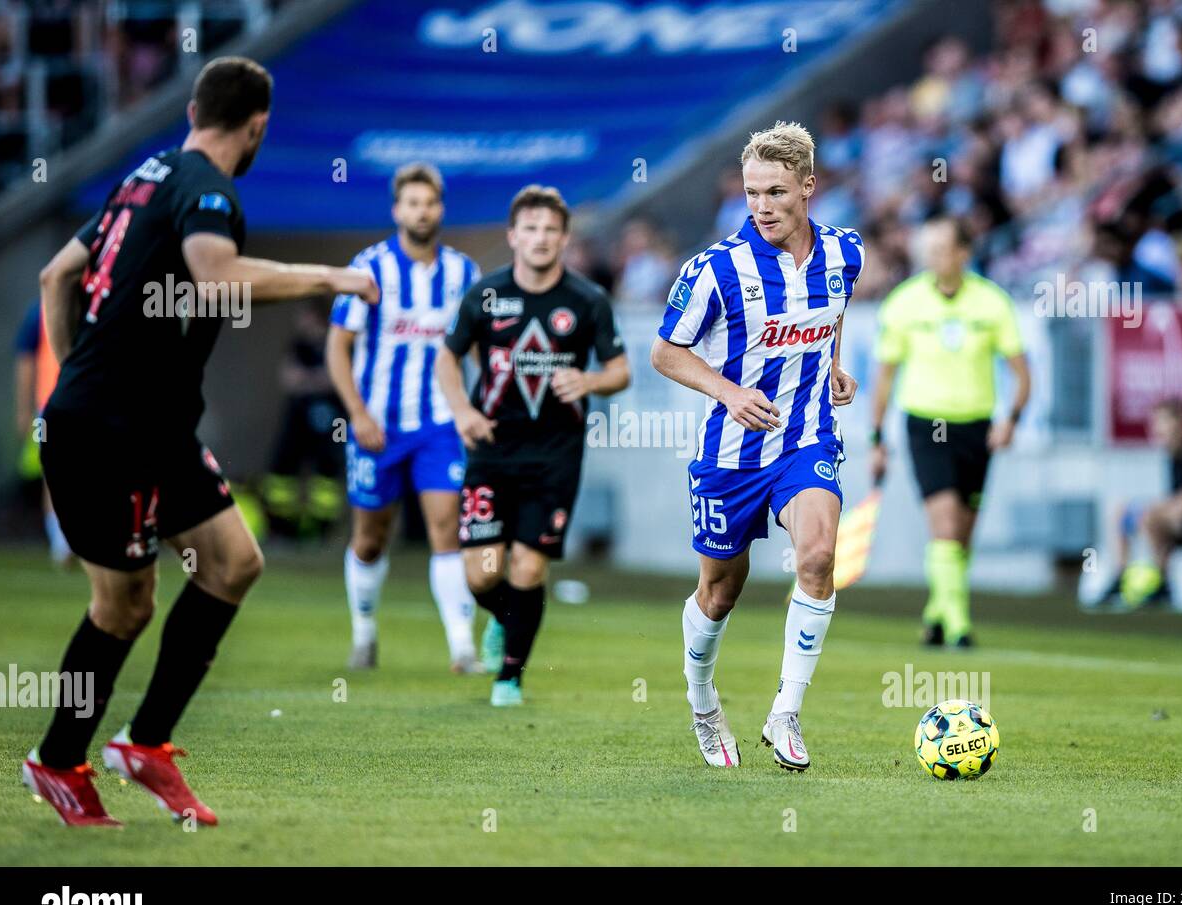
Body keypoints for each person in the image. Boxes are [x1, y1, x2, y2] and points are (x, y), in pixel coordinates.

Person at [23, 56, 378, 827]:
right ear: (257, 128)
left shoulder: (142, 178)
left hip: (145, 426)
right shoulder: (208, 189)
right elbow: (215, 276)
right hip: (112, 431)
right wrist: (329, 276)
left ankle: (145, 745)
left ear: (192, 109)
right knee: (123, 608)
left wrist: (73, 374)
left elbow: (56, 275)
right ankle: (57, 761)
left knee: (233, 562)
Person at [651, 122, 862, 772]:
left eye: (775, 191)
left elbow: (832, 312)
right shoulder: (714, 268)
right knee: (719, 592)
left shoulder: (846, 253)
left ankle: (786, 711)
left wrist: (831, 365)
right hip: (730, 456)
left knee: (821, 558)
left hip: (805, 438)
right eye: (751, 193)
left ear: (808, 186)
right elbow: (664, 351)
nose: (762, 206)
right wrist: (726, 391)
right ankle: (703, 703)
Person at [435, 185, 630, 707]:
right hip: (491, 450)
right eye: (531, 229)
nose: (541, 239)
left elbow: (621, 370)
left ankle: (509, 678)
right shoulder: (485, 295)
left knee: (528, 567)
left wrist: (588, 382)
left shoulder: (588, 300)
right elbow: (447, 358)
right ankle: (503, 617)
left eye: (550, 230)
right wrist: (462, 411)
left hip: (555, 456)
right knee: (482, 574)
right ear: (513, 236)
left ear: (564, 238)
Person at [326, 163, 483, 673]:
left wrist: (473, 408)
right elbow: (338, 347)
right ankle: (364, 634)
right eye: (412, 203)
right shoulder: (368, 268)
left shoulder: (464, 273)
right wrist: (356, 414)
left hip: (440, 425)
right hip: (378, 425)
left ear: (440, 208)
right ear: (397, 210)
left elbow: (476, 348)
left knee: (446, 529)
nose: (422, 211)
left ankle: (463, 646)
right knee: (370, 535)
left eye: (430, 203)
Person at [869, 217, 1030, 649]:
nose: (933, 256)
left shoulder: (992, 303)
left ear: (964, 252)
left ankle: (936, 613)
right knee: (944, 523)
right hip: (926, 424)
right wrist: (876, 438)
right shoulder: (904, 303)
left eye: (942, 248)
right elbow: (884, 377)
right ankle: (959, 625)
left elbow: (1021, 373)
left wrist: (1010, 420)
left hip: (976, 428)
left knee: (962, 534)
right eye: (928, 249)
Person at [1099, 398, 1182, 608]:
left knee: (1150, 518)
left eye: (1161, 421)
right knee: (1120, 511)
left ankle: (1162, 582)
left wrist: (1150, 511)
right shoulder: (1172, 456)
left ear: (1178, 424)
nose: (1155, 427)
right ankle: (1121, 576)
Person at [260, 301, 344, 541]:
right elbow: (289, 378)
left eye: (305, 317)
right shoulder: (298, 346)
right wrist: (316, 379)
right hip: (296, 419)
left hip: (332, 420)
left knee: (327, 472)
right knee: (284, 467)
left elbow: (337, 377)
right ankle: (281, 526)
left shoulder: (335, 344)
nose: (301, 322)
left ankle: (320, 531)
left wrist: (309, 380)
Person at [12, 299, 71, 565]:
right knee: (52, 471)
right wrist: (24, 409)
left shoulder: (100, 304)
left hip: (87, 404)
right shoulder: (41, 312)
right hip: (48, 407)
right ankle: (61, 542)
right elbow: (26, 360)